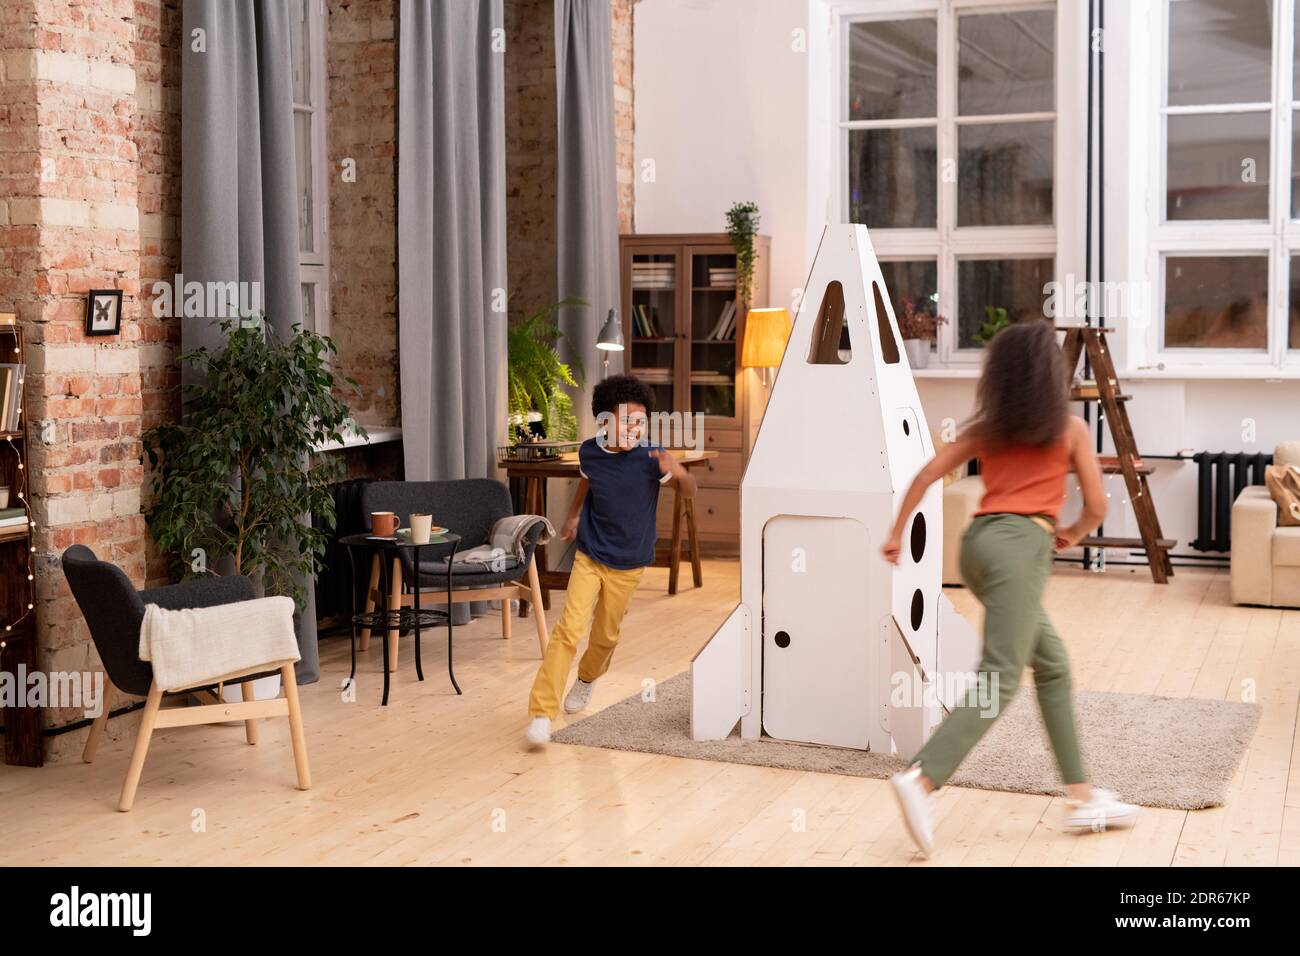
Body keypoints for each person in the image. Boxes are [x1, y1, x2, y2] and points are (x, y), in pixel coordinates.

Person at [882, 320, 1138, 857]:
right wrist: (1068, 533)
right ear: (1051, 375)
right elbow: (1096, 506)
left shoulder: (986, 428)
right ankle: (923, 777)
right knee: (999, 678)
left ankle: (1081, 795)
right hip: (1021, 550)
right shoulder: (1070, 430)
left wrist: (895, 533)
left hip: (977, 546)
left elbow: (927, 475)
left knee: (1053, 665)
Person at [524, 374, 697, 745]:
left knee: (605, 636)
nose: (634, 427)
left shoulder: (651, 458)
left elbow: (690, 490)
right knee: (568, 630)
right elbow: (588, 480)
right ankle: (542, 712)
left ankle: (586, 678)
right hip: (590, 554)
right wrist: (573, 515)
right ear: (605, 421)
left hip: (630, 562)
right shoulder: (589, 452)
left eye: (640, 421)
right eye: (626, 420)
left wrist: (679, 470)